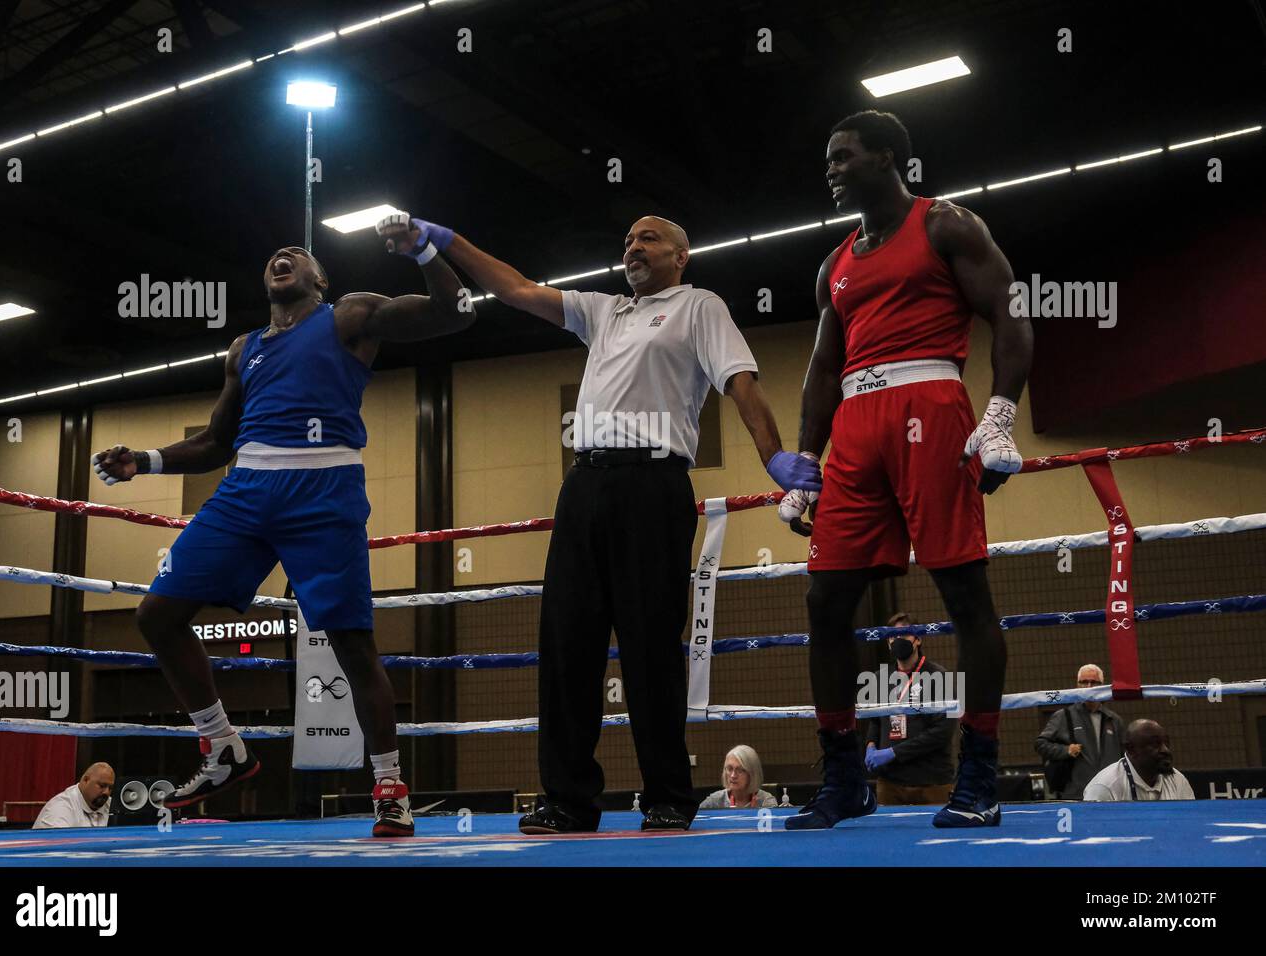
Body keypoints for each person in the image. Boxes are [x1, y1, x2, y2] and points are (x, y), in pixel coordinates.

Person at [428, 213, 815, 833]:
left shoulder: (699, 307)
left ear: (681, 256)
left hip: (653, 484)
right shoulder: (602, 310)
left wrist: (773, 456)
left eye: (649, 239)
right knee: (566, 644)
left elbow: (741, 384)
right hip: (583, 484)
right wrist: (449, 242)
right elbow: (517, 289)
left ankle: (667, 795)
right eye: (628, 241)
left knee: (650, 645)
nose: (634, 247)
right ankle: (568, 800)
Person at [90, 214, 473, 837]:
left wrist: (423, 248)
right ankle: (223, 748)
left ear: (320, 277)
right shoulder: (245, 349)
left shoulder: (349, 316)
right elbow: (217, 440)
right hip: (246, 489)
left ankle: (388, 786)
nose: (282, 257)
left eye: (296, 252)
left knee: (352, 643)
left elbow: (455, 313)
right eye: (274, 254)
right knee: (156, 614)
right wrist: (147, 461)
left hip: (324, 491)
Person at [782, 110, 1033, 831]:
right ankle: (843, 778)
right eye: (827, 159)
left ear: (887, 157)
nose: (830, 169)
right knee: (826, 601)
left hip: (932, 404)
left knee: (963, 592)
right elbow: (823, 367)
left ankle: (980, 775)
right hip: (857, 427)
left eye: (843, 156)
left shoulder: (947, 225)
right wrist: (806, 463)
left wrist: (1000, 416)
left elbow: (1011, 316)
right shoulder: (835, 263)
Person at [864, 614, 956, 805]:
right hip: (889, 784)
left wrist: (894, 752)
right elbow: (874, 721)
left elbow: (943, 732)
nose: (896, 640)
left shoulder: (943, 676)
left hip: (932, 783)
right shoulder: (877, 678)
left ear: (918, 639)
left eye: (902, 634)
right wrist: (870, 745)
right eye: (891, 636)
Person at [1034, 664, 1124, 799]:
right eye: (1084, 682)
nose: (1089, 687)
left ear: (1102, 685)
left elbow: (1125, 756)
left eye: (1093, 682)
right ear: (1077, 685)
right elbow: (1040, 744)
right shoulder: (1064, 716)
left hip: (1111, 794)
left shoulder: (1114, 720)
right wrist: (1065, 750)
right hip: (1075, 794)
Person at [1083, 719, 1195, 801]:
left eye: (1166, 743)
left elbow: (1190, 826)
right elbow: (1093, 832)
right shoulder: (1104, 787)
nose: (1165, 750)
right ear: (1131, 750)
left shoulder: (1178, 780)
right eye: (1155, 744)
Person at [33, 762, 114, 829]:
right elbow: (60, 846)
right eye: (102, 786)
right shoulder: (60, 808)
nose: (106, 792)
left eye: (110, 788)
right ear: (86, 780)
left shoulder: (111, 805)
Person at [699, 745, 779, 809]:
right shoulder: (715, 801)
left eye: (740, 770)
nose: (733, 775)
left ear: (752, 773)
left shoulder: (766, 801)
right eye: (729, 769)